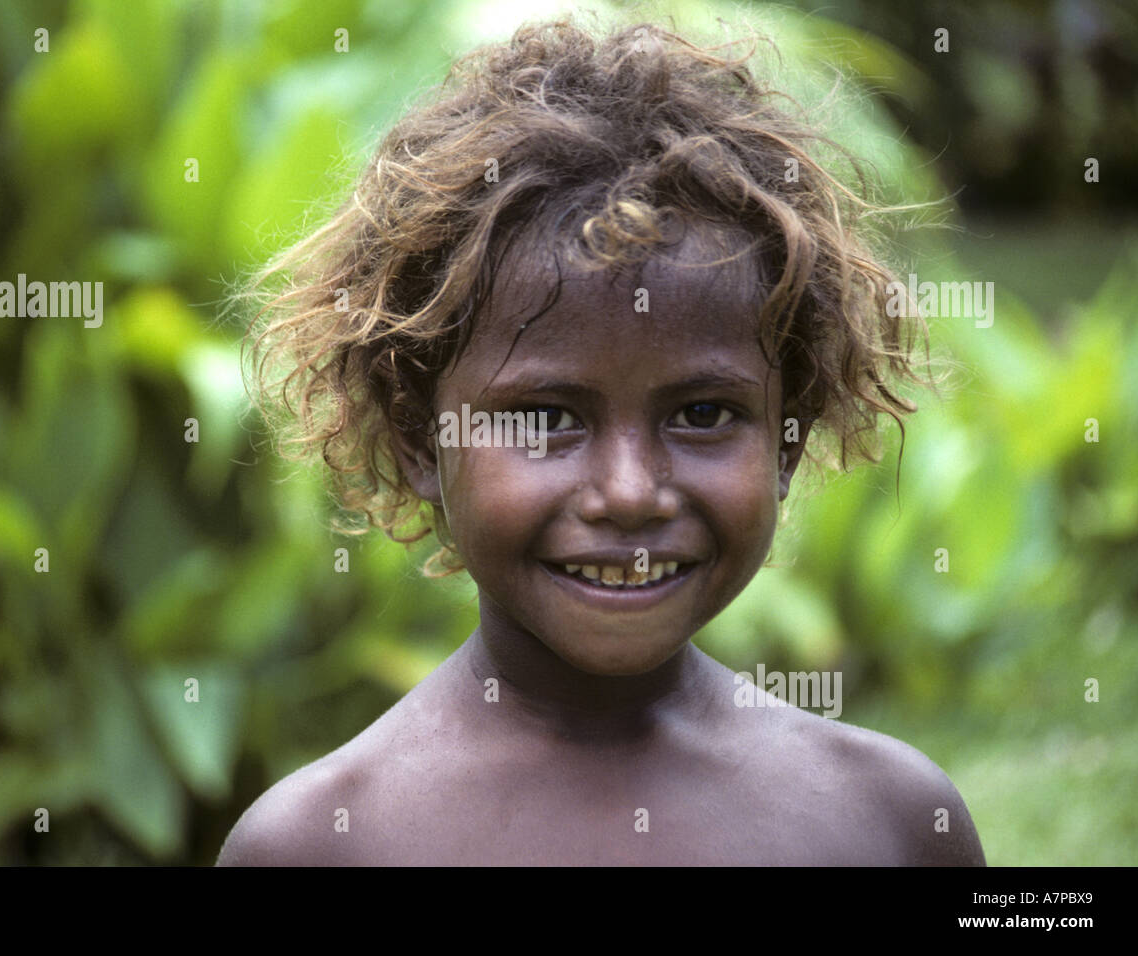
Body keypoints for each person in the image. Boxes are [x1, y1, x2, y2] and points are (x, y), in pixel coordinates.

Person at [218, 14, 985, 865]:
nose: (628, 492)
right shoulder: (322, 844)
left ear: (787, 440)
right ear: (417, 439)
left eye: (702, 415)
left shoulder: (889, 821)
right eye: (546, 419)